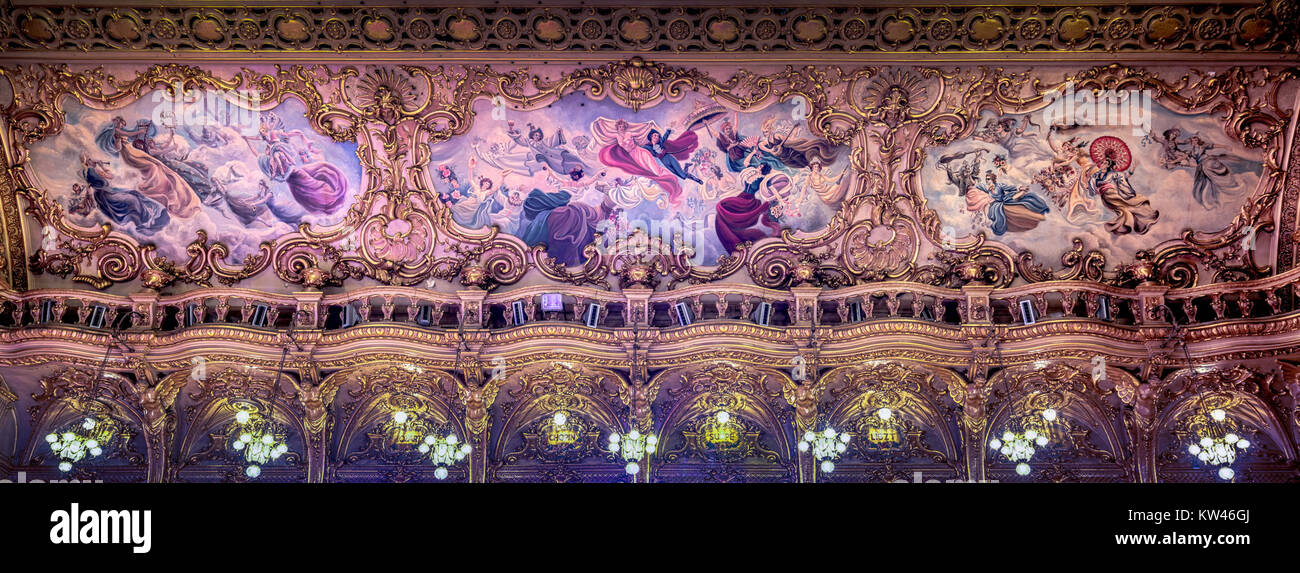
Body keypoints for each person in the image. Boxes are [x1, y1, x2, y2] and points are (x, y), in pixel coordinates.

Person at [94, 116, 200, 217]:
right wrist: (139, 132)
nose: (122, 126)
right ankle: (155, 186)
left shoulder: (145, 146)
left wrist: (171, 138)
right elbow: (129, 135)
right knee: (153, 166)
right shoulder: (117, 131)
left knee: (156, 165)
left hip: (132, 151)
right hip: (129, 154)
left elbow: (163, 147)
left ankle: (162, 184)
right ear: (118, 122)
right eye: (122, 124)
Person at [714, 152, 783, 254]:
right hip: (741, 196)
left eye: (760, 166)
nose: (758, 166)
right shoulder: (752, 172)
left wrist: (780, 200)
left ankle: (734, 235)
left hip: (749, 200)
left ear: (763, 168)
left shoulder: (763, 180)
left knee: (721, 206)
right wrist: (754, 152)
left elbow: (773, 189)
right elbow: (746, 162)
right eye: (759, 165)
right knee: (721, 208)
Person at [975, 170, 1050, 235]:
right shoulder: (987, 188)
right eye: (986, 179)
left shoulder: (999, 186)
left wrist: (1019, 188)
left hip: (1004, 199)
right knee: (992, 210)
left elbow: (1010, 188)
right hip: (996, 204)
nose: (987, 181)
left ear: (992, 180)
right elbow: (977, 185)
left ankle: (1023, 194)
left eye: (988, 179)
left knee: (1014, 198)